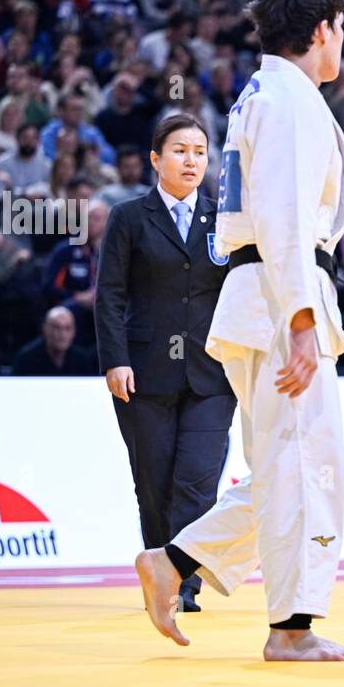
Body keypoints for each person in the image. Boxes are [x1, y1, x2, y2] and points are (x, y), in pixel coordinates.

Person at [133, 0, 344, 662]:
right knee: (305, 466)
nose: (343, 43)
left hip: (260, 296)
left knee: (284, 465)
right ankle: (291, 628)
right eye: (341, 29)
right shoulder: (291, 100)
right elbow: (285, 216)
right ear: (323, 29)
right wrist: (300, 319)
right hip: (277, 299)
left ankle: (173, 562)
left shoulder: (263, 94)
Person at [96, 114, 233, 614]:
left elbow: (243, 290)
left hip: (212, 374)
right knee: (153, 483)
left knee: (198, 480)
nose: (191, 160)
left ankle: (183, 582)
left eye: (199, 151)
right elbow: (109, 295)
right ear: (156, 159)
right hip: (144, 371)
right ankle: (162, 577)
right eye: (180, 150)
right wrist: (115, 360)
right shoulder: (129, 218)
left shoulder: (225, 220)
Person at [12, 305, 98, 376]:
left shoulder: (83, 361)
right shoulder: (26, 359)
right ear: (45, 329)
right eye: (56, 328)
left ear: (74, 331)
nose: (62, 334)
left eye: (67, 328)